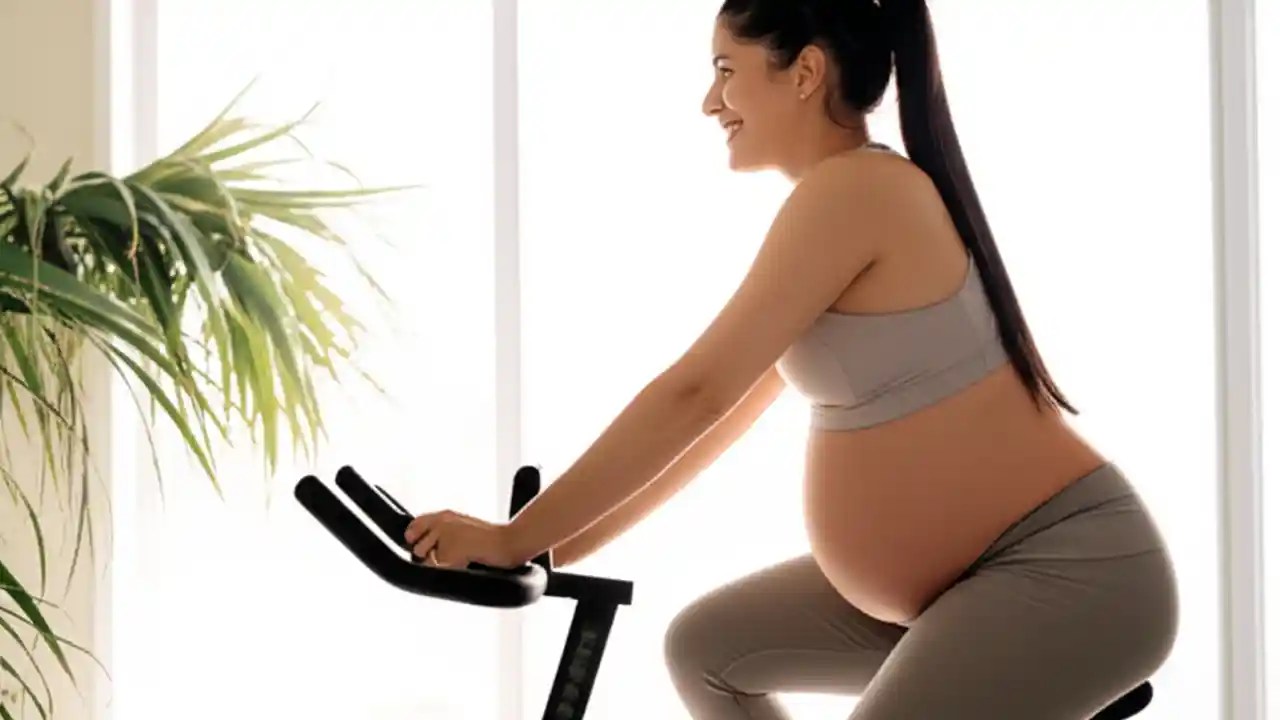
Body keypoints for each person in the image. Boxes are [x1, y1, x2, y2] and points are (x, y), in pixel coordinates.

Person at [404, 0, 1179, 717]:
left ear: (804, 73)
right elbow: (715, 426)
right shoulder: (843, 202)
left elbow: (695, 392)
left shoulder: (859, 193)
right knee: (706, 651)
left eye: (725, 71)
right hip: (961, 584)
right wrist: (549, 544)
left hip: (1066, 573)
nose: (711, 103)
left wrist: (511, 538)